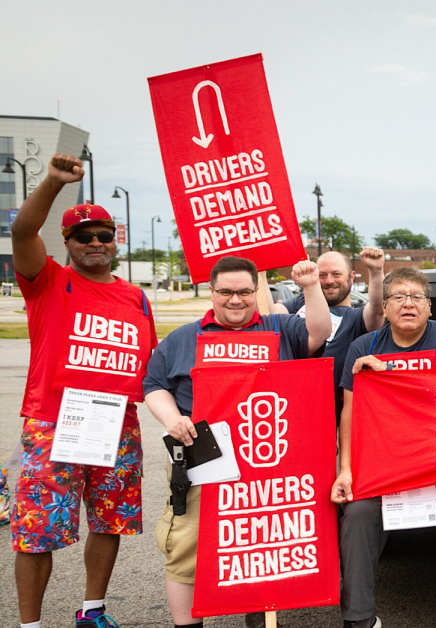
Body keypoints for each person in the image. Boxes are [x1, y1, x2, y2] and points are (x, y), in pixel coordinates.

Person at [11, 154, 158, 628]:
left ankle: (92, 610)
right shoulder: (48, 280)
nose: (95, 242)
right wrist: (53, 183)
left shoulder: (135, 297)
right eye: (83, 236)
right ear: (67, 242)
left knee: (110, 520)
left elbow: (151, 365)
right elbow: (22, 232)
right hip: (54, 421)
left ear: (115, 241)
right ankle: (30, 624)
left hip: (116, 421)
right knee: (37, 531)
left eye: (104, 235)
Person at [144, 255, 329, 628]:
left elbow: (319, 332)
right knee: (187, 549)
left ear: (255, 291)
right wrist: (172, 418)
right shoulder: (184, 338)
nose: (235, 300)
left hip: (269, 459)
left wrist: (311, 286)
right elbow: (154, 385)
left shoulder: (281, 329)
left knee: (261, 547)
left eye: (244, 292)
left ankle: (260, 617)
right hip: (204, 457)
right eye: (226, 292)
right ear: (211, 291)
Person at [331, 267, 436, 628]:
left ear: (429, 307)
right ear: (384, 307)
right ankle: (358, 617)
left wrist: (390, 376)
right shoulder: (363, 347)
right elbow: (349, 413)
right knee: (357, 513)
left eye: (416, 297)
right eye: (398, 297)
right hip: (384, 461)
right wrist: (345, 470)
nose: (408, 304)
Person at [271, 247, 386, 420]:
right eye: (322, 275)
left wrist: (376, 272)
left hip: (330, 413)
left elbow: (377, 309)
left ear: (351, 277)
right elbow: (269, 316)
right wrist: (261, 272)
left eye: (336, 274)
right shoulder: (299, 303)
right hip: (286, 407)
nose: (329, 280)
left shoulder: (356, 317)